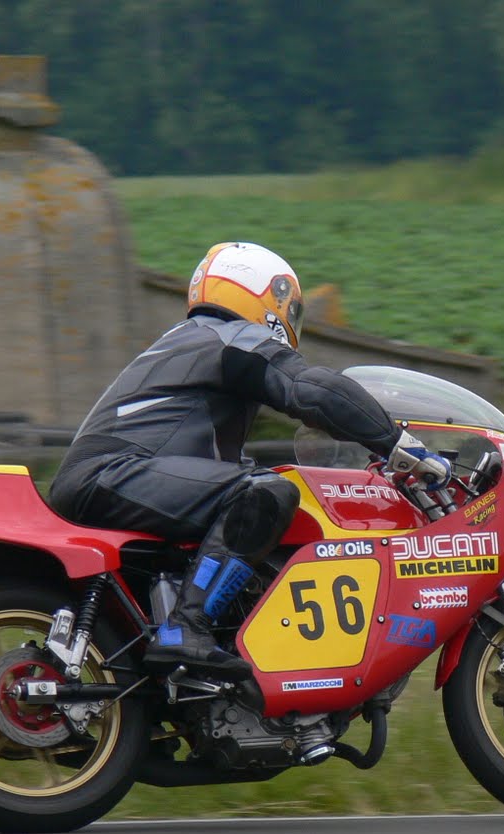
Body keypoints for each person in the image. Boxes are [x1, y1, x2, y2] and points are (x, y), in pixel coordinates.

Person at [49, 241, 451, 681]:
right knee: (265, 492)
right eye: (288, 305)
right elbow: (310, 391)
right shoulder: (231, 337)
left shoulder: (193, 340)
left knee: (250, 489)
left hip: (111, 473)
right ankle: (187, 628)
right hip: (114, 472)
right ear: (263, 295)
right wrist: (396, 442)